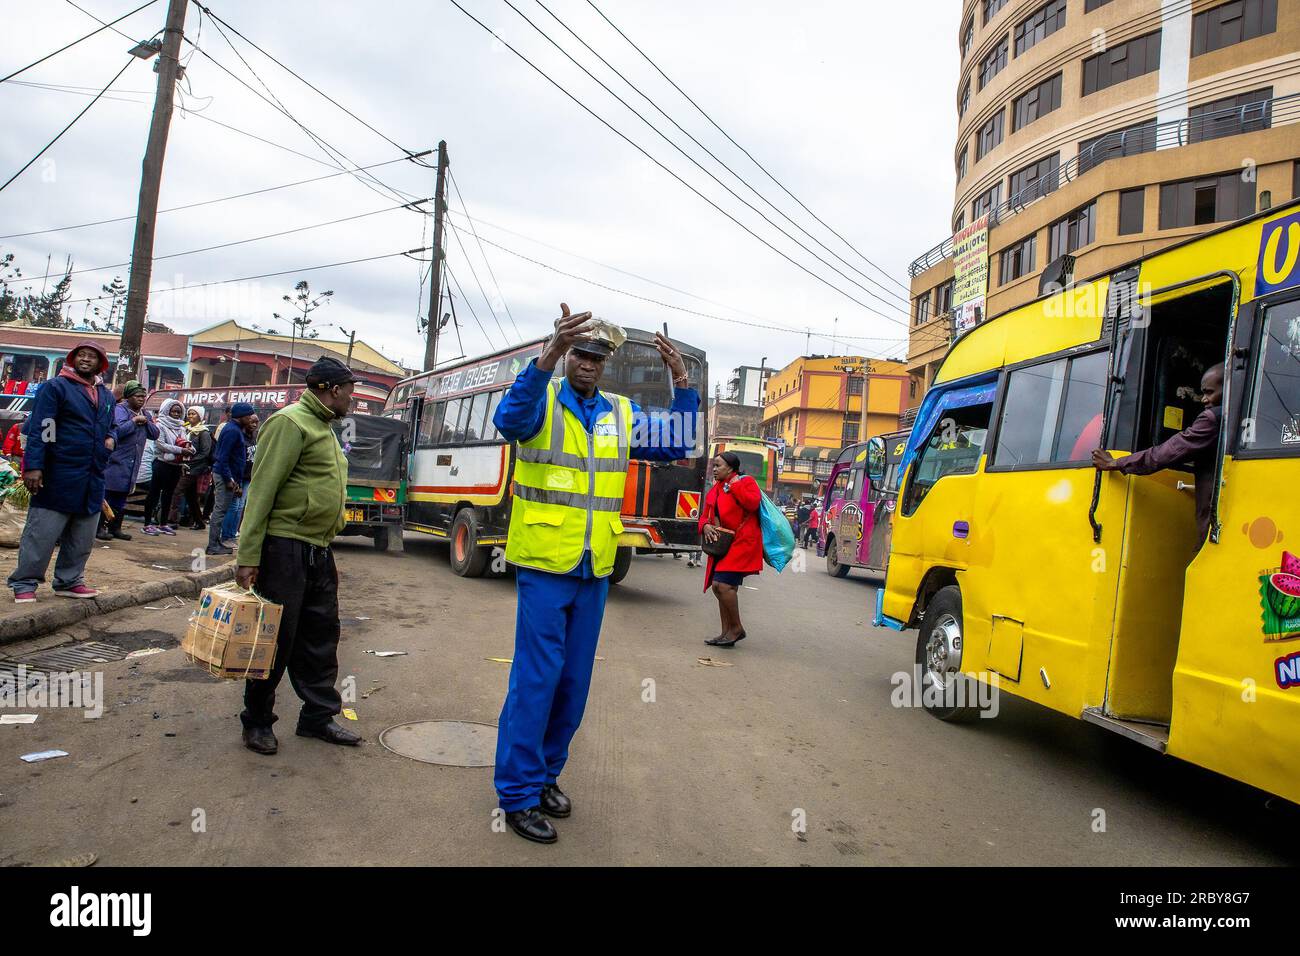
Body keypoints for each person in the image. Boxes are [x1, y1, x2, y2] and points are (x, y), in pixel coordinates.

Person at [492, 304, 699, 845]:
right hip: (544, 564)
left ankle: (545, 776)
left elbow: (678, 441)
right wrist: (546, 357)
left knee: (573, 684)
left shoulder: (621, 414)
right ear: (568, 357)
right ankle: (516, 795)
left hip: (594, 566)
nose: (588, 363)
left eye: (596, 356)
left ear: (606, 362)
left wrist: (682, 381)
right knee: (536, 680)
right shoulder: (539, 404)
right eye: (580, 353)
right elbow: (508, 421)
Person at [234, 358, 357, 755]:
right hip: (284, 548)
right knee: (276, 640)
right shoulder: (289, 423)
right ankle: (256, 721)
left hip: (318, 549)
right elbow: (261, 491)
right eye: (349, 392)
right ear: (332, 390)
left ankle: (317, 717)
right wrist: (249, 555)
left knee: (321, 635)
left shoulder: (322, 426)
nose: (352, 400)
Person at [7, 342, 115, 604]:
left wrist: (111, 438)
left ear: (100, 364)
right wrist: (34, 466)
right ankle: (25, 582)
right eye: (82, 355)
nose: (86, 360)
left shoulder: (107, 396)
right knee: (42, 532)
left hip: (92, 474)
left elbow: (111, 426)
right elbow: (44, 426)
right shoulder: (56, 387)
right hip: (59, 471)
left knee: (82, 535)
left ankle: (69, 580)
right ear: (73, 359)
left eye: (92, 357)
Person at [1093, 362, 1224, 550]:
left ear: (1228, 390)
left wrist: (1116, 462)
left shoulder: (1213, 419)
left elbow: (1167, 452)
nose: (1204, 399)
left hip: (1217, 519)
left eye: (1209, 392)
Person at [700, 452, 763, 647]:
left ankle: (736, 629)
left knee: (723, 585)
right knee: (720, 587)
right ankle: (726, 632)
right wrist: (705, 526)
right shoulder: (716, 488)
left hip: (742, 542)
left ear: (731, 467)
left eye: (718, 465)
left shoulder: (746, 482)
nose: (715, 469)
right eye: (714, 466)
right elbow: (705, 515)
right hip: (722, 543)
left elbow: (752, 503)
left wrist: (735, 486)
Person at [97, 381, 157, 541]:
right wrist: (134, 421)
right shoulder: (120, 410)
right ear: (128, 396)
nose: (141, 399)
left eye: (143, 396)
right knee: (108, 494)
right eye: (138, 396)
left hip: (132, 463)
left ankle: (115, 528)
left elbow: (155, 434)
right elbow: (117, 431)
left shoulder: (145, 413)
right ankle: (99, 527)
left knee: (122, 496)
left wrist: (146, 421)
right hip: (116, 460)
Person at [208, 404, 256, 555]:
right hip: (224, 476)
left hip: (231, 476)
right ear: (241, 416)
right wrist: (229, 479)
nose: (250, 420)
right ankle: (213, 545)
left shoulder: (236, 430)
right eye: (248, 417)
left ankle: (217, 543)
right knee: (220, 511)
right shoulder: (232, 431)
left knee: (223, 509)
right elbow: (222, 457)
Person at [141, 399, 190, 536]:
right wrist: (180, 451)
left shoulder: (181, 427)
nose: (176, 414)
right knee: (154, 494)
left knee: (169, 495)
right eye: (174, 411)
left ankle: (163, 523)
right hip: (161, 463)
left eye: (179, 412)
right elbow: (160, 445)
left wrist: (189, 449)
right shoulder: (160, 425)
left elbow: (185, 443)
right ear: (167, 411)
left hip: (175, 465)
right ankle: (147, 524)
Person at [167, 407, 212, 530]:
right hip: (185, 466)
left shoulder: (204, 432)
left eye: (194, 414)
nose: (190, 416)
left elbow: (205, 452)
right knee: (191, 496)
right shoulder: (188, 430)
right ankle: (199, 521)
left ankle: (172, 520)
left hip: (194, 468)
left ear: (200, 416)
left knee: (177, 492)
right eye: (189, 414)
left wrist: (189, 462)